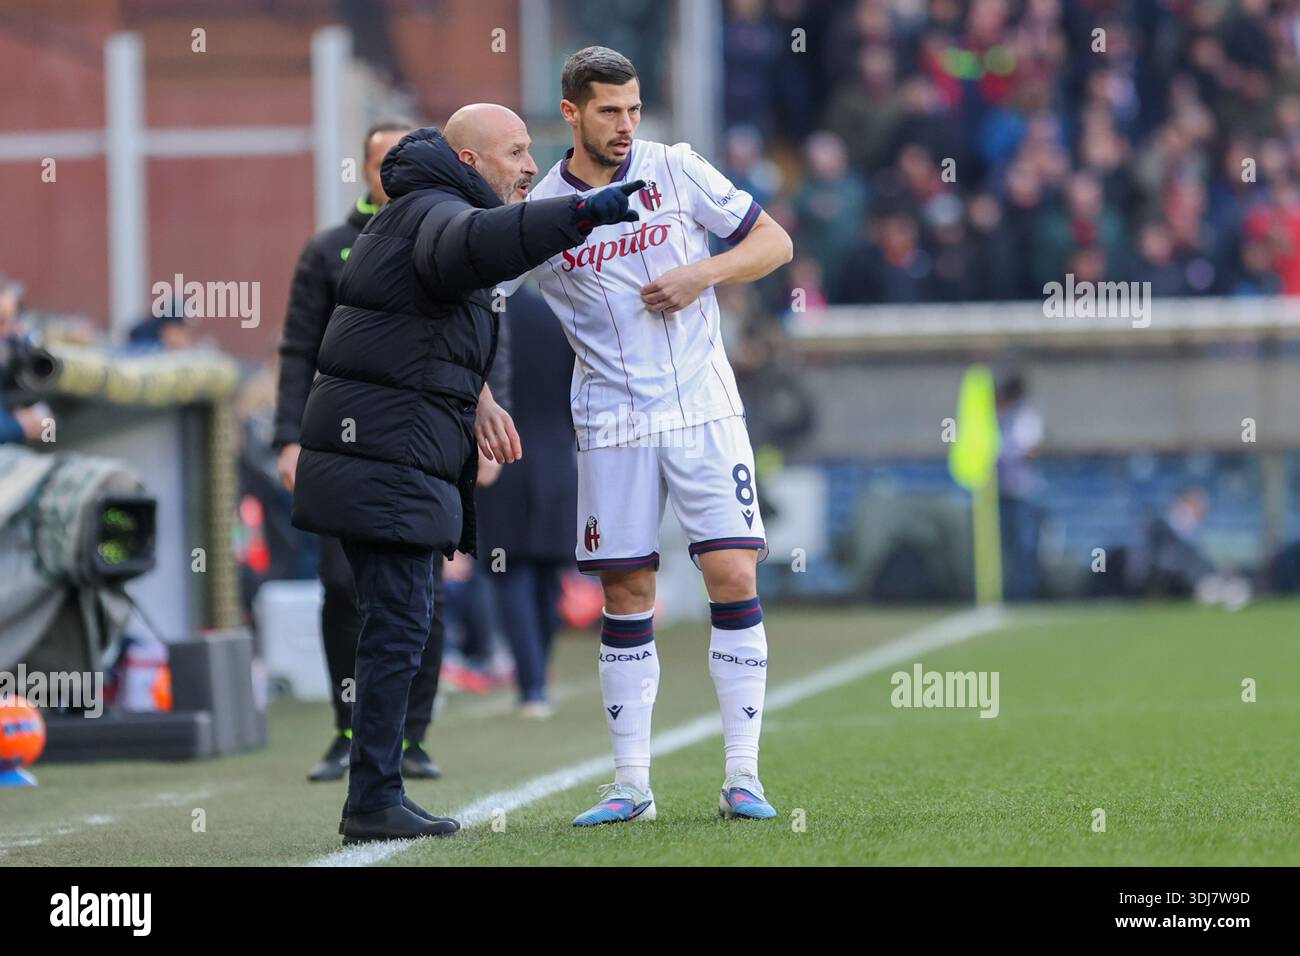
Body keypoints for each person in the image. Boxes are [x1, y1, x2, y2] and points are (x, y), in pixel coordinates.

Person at [290, 106, 646, 844]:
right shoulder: (438, 214)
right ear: (468, 158)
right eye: (516, 152)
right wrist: (580, 211)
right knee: (398, 623)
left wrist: (480, 400)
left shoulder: (421, 214)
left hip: (390, 452)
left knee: (403, 619)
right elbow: (480, 246)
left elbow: (426, 319)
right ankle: (372, 799)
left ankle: (378, 788)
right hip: (383, 456)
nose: (527, 165)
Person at [498, 47, 793, 826]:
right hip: (612, 420)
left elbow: (775, 244)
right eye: (608, 112)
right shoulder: (541, 212)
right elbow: (481, 296)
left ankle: (743, 776)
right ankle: (631, 785)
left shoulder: (675, 168)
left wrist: (704, 275)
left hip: (705, 407)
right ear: (571, 113)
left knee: (732, 572)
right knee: (628, 591)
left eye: (632, 109)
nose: (625, 125)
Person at [272, 119, 448, 782]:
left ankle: (412, 735)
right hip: (341, 446)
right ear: (366, 171)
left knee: (422, 588)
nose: (396, 174)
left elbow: (490, 333)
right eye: (384, 163)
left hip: (425, 442)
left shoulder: (447, 235)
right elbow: (297, 349)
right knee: (343, 588)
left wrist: (489, 417)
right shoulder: (329, 251)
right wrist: (288, 437)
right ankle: (349, 731)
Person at [476, 288, 578, 717]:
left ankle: (532, 684)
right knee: (548, 573)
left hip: (500, 453)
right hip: (557, 458)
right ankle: (539, 674)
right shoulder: (557, 312)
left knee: (510, 572)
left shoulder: (481, 314)